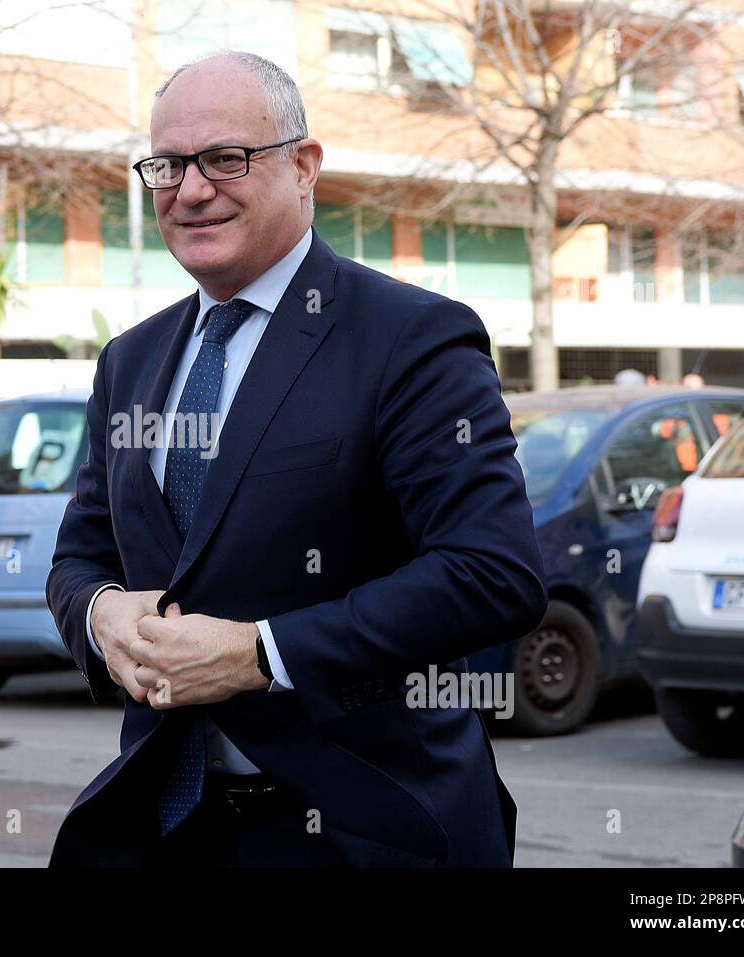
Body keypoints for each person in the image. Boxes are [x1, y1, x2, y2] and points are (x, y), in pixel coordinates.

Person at [45, 51, 548, 867]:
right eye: (168, 165)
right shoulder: (129, 360)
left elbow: (493, 572)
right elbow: (80, 554)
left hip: (363, 827)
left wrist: (258, 654)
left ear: (305, 166)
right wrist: (100, 614)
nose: (192, 189)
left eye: (226, 158)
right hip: (164, 824)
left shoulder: (411, 338)